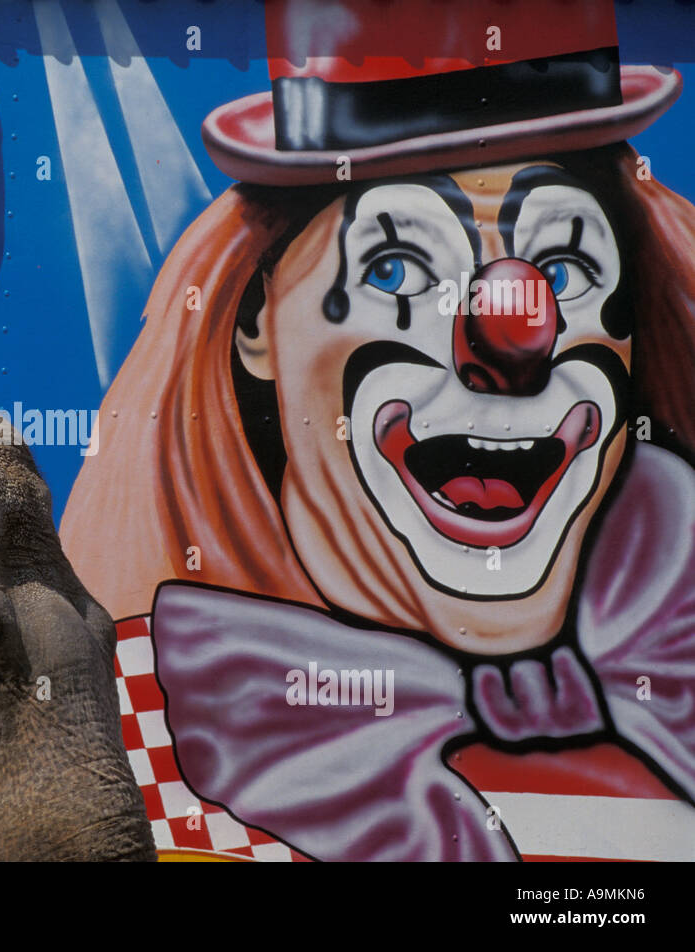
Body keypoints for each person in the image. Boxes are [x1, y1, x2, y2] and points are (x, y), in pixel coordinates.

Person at [61, 0, 695, 860]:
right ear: (257, 324)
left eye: (564, 263)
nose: (512, 335)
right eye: (397, 265)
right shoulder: (137, 726)